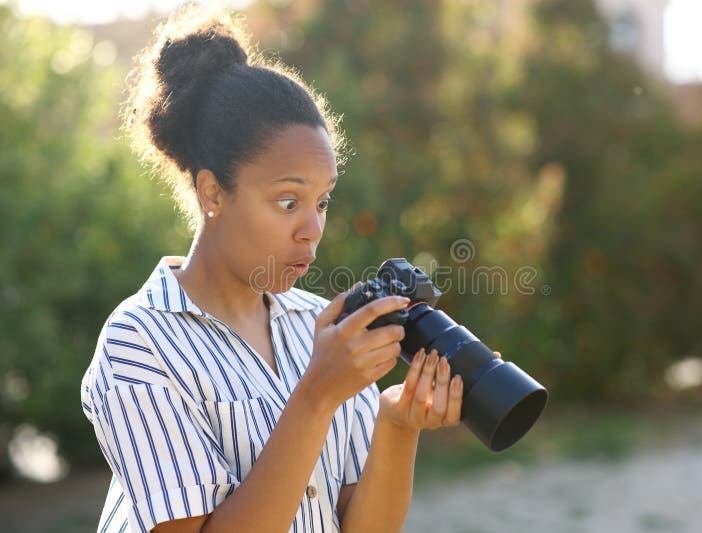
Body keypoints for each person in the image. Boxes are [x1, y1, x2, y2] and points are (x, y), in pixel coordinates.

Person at [80, 5, 482, 533]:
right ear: (212, 192)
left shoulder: (322, 327)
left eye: (322, 202)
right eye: (288, 201)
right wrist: (316, 395)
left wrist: (397, 423)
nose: (312, 228)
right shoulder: (139, 344)